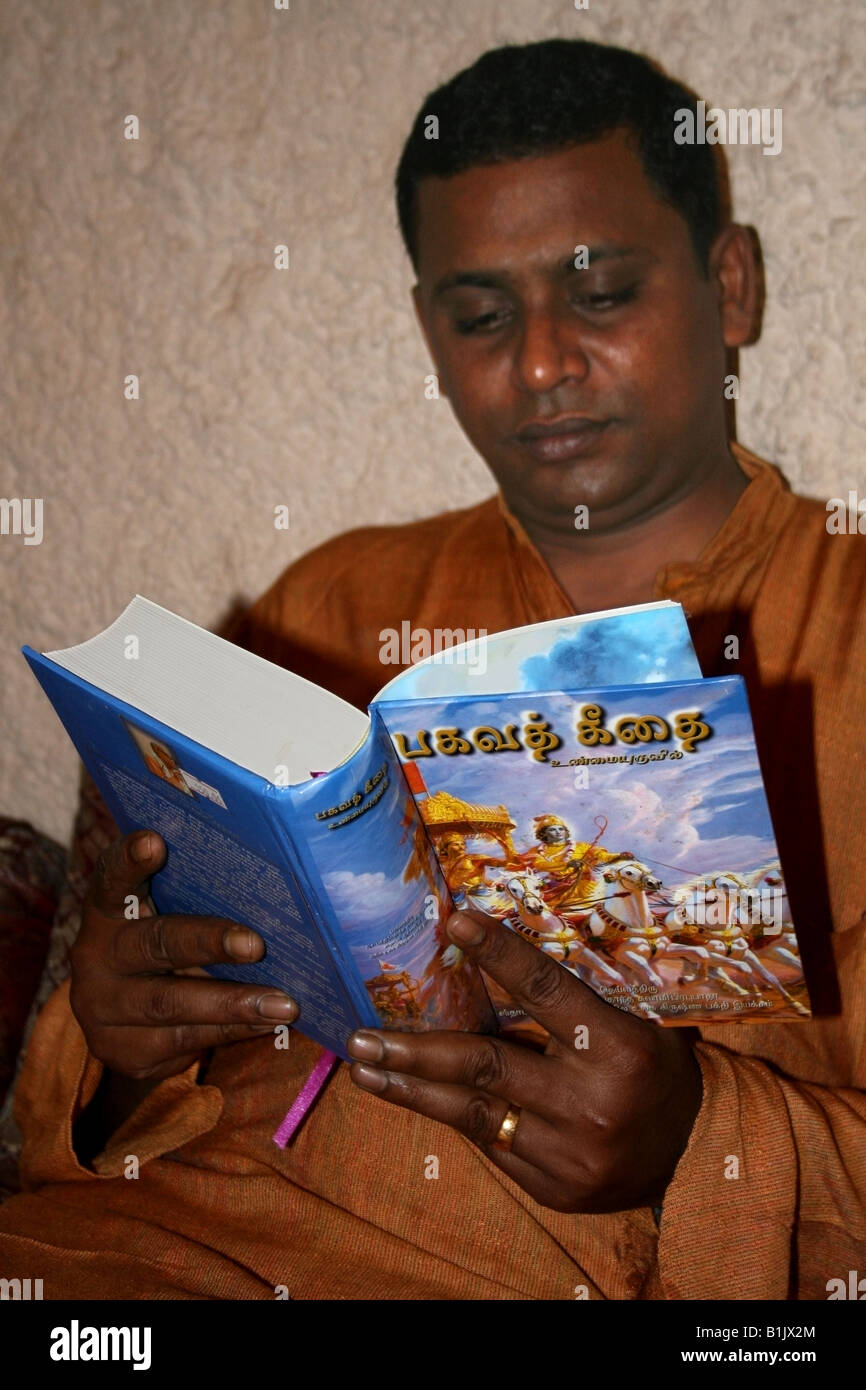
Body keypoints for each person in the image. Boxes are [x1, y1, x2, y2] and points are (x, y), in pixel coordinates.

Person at [1, 38, 864, 1301]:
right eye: (479, 316)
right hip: (172, 1247)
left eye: (599, 294)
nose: (537, 363)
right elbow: (91, 1119)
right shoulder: (330, 610)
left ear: (728, 285)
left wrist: (698, 1136)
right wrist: (131, 1032)